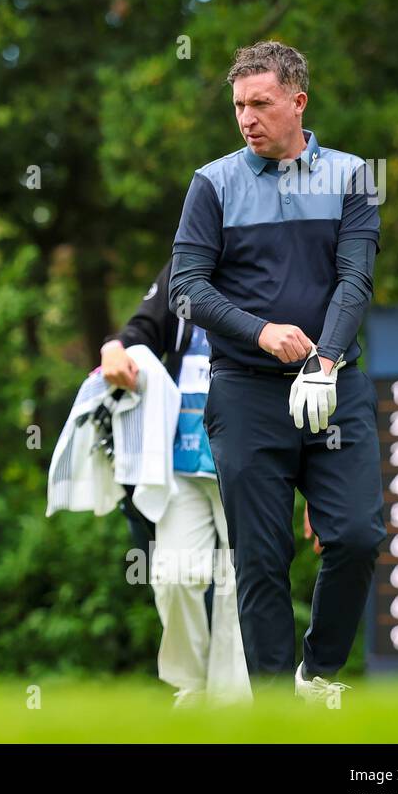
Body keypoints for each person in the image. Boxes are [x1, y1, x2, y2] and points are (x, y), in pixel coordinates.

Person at [169, 41, 385, 707]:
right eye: (239, 105)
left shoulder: (353, 176)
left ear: (298, 102)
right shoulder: (213, 182)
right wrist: (261, 331)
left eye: (261, 104)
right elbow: (188, 288)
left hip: (334, 386)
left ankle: (317, 672)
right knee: (260, 560)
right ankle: (273, 708)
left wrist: (324, 358)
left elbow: (355, 278)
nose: (247, 118)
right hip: (244, 394)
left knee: (355, 534)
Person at [101, 261, 251, 706]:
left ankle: (233, 703)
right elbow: (142, 329)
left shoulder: (272, 265)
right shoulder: (185, 267)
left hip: (245, 459)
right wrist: (115, 348)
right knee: (175, 574)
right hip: (181, 458)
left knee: (240, 584)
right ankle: (192, 686)